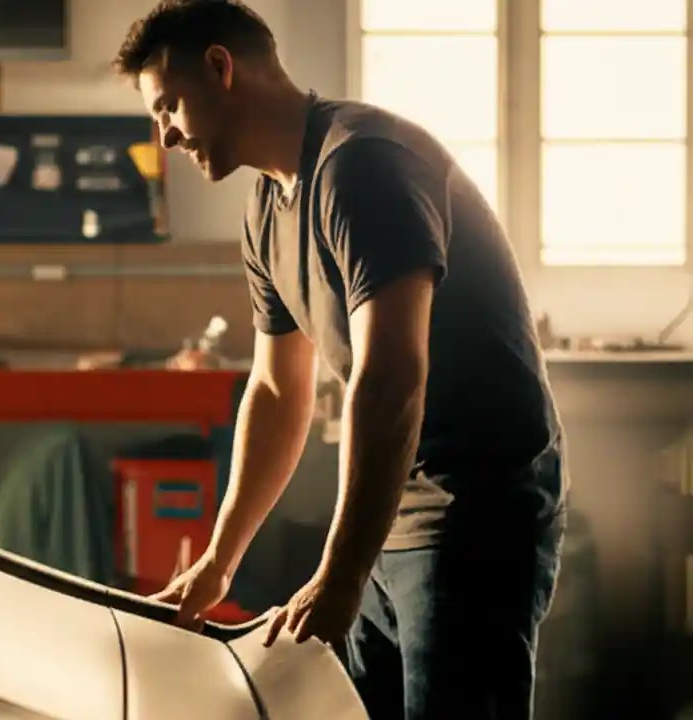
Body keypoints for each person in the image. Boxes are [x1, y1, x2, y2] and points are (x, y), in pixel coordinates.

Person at [113, 2, 568, 718]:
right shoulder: (266, 209)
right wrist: (218, 561)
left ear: (221, 67)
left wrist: (339, 574)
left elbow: (389, 378)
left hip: (472, 508)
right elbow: (275, 390)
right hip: (392, 514)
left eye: (168, 106)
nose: (164, 136)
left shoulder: (364, 165)